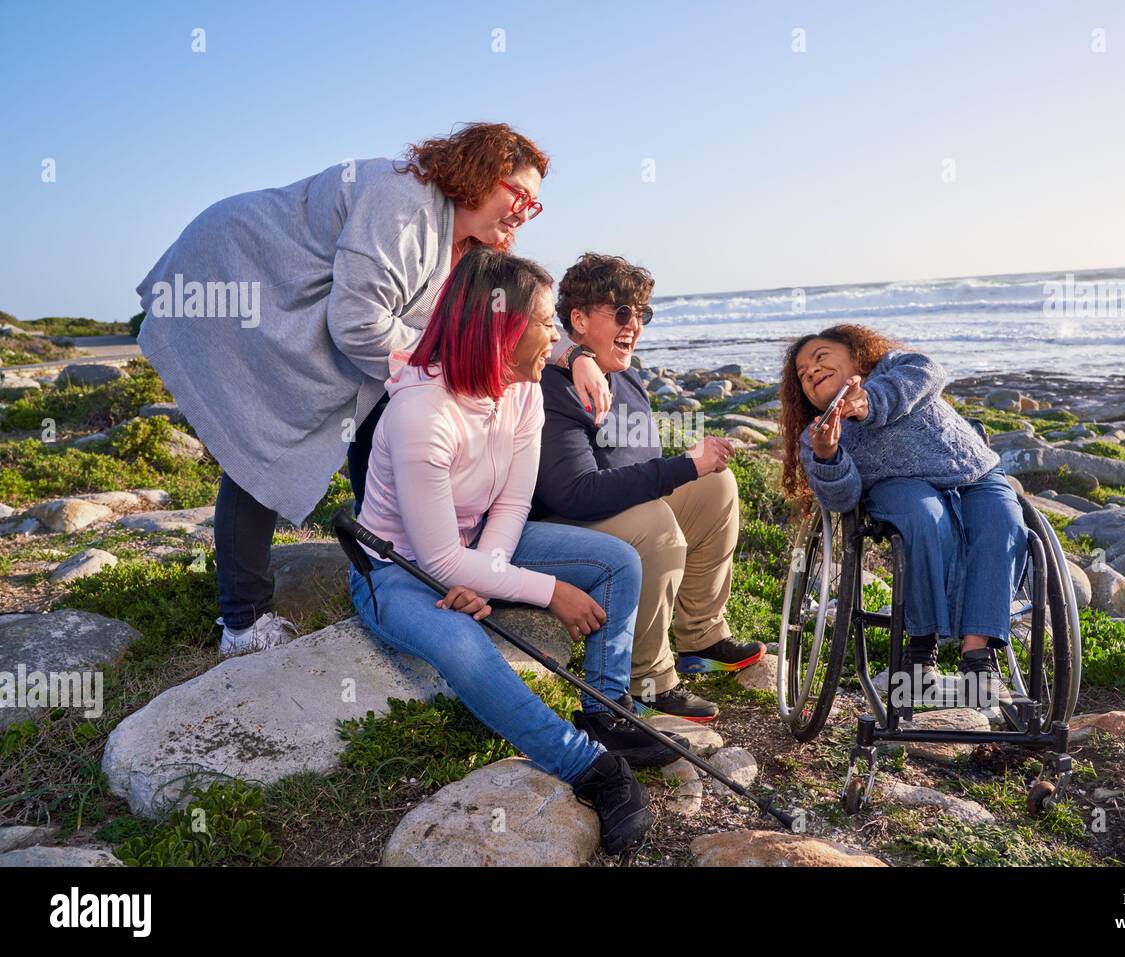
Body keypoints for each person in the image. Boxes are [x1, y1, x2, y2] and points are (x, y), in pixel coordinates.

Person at [134, 123, 612, 657]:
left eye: (534, 205)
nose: (524, 211)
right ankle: (242, 625)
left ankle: (388, 558)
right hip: (241, 273)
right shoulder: (404, 205)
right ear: (477, 175)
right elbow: (361, 324)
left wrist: (574, 355)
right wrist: (450, 363)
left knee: (390, 399)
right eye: (518, 194)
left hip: (309, 302)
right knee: (263, 446)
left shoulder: (467, 242)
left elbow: (503, 322)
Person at [349, 246, 681, 854]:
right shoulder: (422, 415)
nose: (557, 338)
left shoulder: (520, 388)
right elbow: (440, 561)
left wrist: (494, 575)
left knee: (619, 561)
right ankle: (589, 766)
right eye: (547, 322)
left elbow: (510, 504)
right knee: (456, 639)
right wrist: (547, 591)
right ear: (502, 328)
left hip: (479, 542)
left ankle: (605, 711)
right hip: (400, 566)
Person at [531, 253, 765, 724]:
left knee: (716, 485)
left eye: (642, 314)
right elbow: (573, 493)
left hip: (609, 505)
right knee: (656, 522)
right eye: (621, 312)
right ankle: (649, 681)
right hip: (563, 524)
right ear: (577, 319)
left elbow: (636, 462)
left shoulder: (626, 376)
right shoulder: (552, 383)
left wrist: (688, 468)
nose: (634, 324)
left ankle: (700, 637)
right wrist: (679, 468)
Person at [779, 324, 1028, 708]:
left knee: (1004, 523)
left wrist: (866, 403)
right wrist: (829, 457)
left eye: (821, 358)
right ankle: (920, 651)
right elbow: (842, 498)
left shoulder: (895, 368)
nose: (811, 371)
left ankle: (978, 658)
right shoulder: (817, 435)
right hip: (899, 487)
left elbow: (929, 373)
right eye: (803, 373)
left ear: (857, 358)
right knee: (922, 518)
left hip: (971, 470)